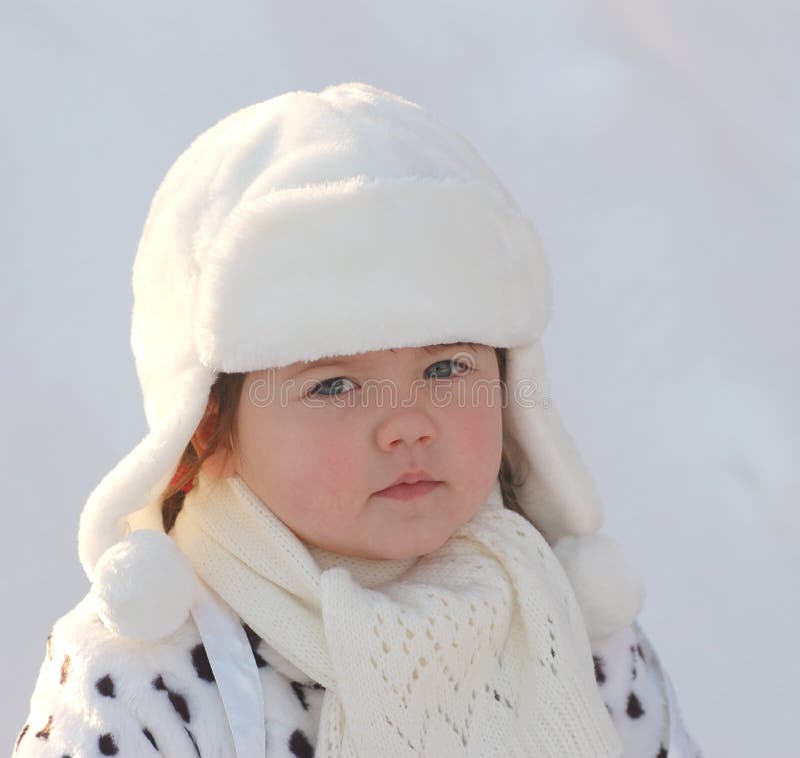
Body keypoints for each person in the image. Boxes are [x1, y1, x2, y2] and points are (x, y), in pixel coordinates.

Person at [12, 82, 701, 757]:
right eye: (334, 384)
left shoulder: (565, 626)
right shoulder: (143, 677)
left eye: (446, 369)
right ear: (207, 429)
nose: (408, 424)